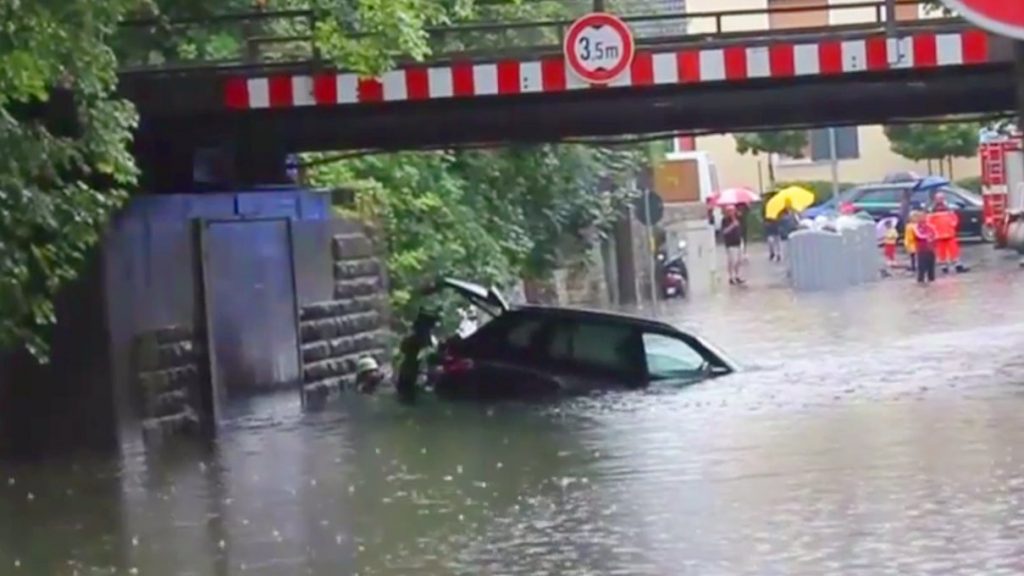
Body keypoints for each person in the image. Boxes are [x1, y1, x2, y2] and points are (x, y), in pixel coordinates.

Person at [926, 193, 961, 274]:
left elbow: (954, 217)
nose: (940, 199)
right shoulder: (932, 209)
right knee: (941, 251)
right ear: (935, 199)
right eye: (938, 198)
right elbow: (929, 221)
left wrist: (952, 224)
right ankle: (944, 266)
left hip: (949, 233)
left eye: (941, 198)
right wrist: (933, 230)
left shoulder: (948, 207)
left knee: (954, 250)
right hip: (939, 234)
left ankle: (957, 264)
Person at [721, 205, 744, 285]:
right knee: (732, 261)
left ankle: (737, 275)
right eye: (730, 211)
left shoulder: (738, 218)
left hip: (738, 241)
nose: (732, 212)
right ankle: (731, 277)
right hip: (730, 243)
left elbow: (741, 228)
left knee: (739, 260)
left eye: (733, 210)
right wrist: (732, 226)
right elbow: (724, 232)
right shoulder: (725, 220)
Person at [912, 213, 937, 284]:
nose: (923, 219)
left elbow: (935, 233)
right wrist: (927, 236)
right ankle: (921, 278)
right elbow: (919, 235)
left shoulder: (930, 226)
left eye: (924, 217)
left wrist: (931, 238)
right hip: (921, 248)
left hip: (930, 247)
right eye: (921, 217)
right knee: (922, 264)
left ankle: (931, 277)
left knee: (931, 263)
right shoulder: (916, 226)